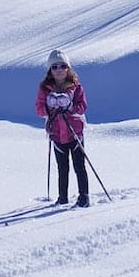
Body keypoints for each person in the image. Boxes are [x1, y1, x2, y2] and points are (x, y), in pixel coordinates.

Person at [36, 49, 90, 207]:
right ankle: (62, 197)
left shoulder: (76, 86)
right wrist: (49, 107)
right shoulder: (45, 89)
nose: (59, 70)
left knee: (79, 166)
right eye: (55, 67)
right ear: (50, 70)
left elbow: (82, 106)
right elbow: (39, 109)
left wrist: (70, 107)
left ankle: (84, 197)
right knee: (62, 167)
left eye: (62, 66)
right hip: (57, 134)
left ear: (68, 68)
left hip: (75, 133)